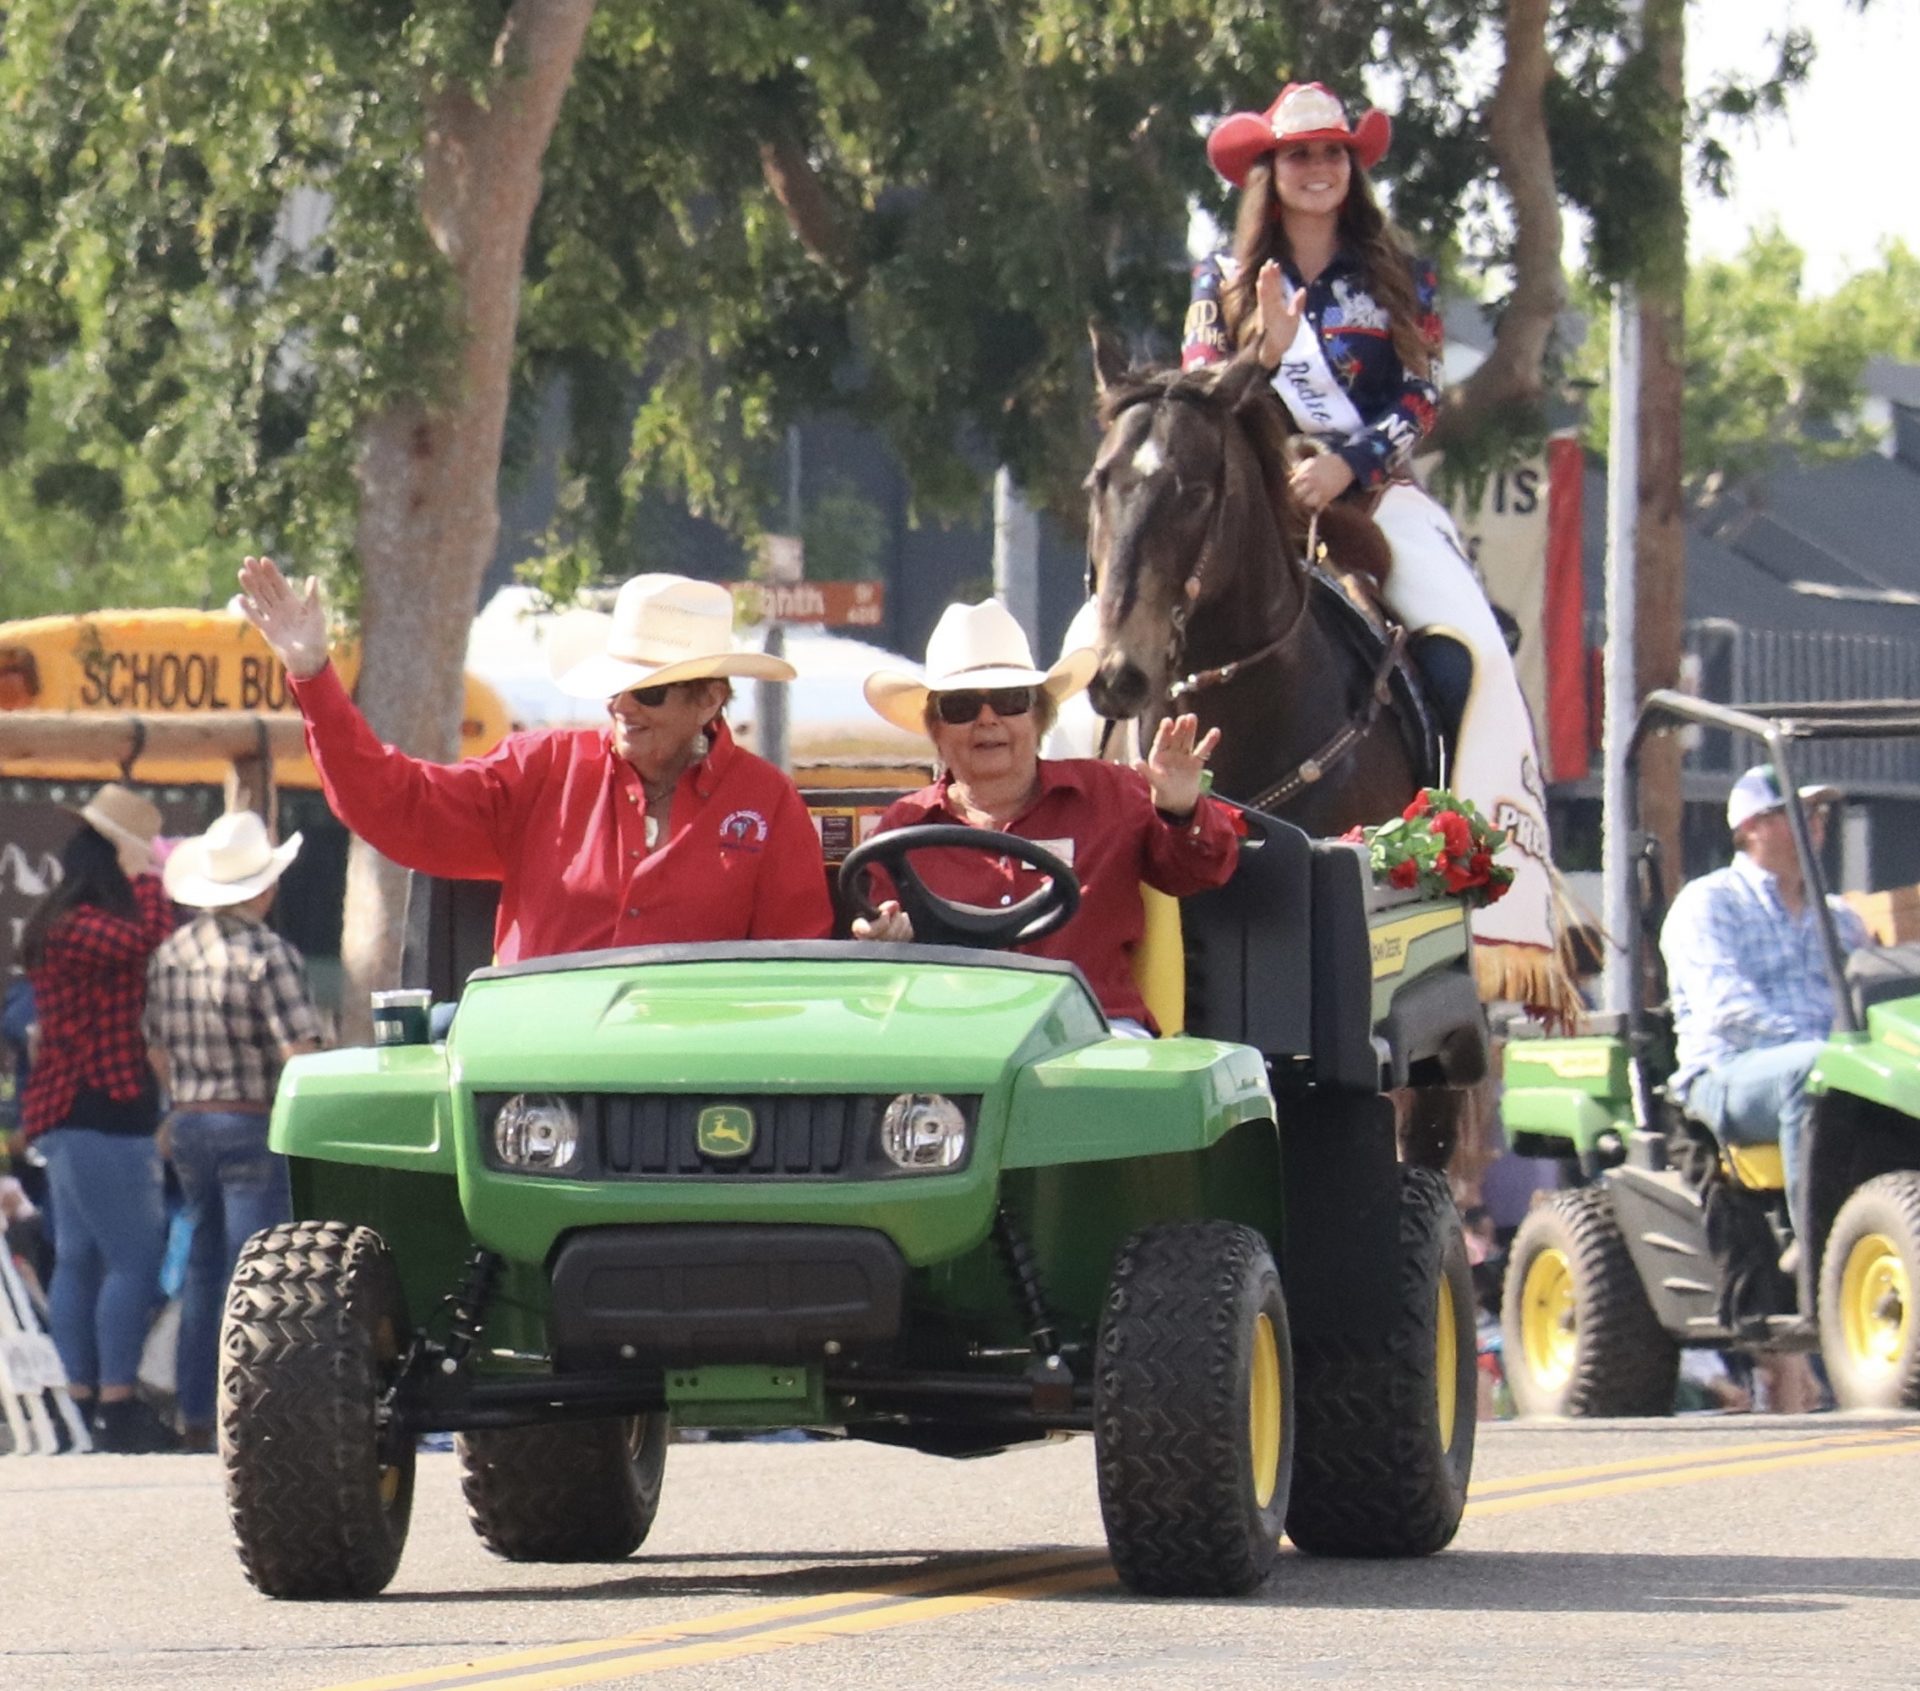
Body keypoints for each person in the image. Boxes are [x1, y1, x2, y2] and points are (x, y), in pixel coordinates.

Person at [1182, 81, 1562, 1013]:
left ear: (1352, 169)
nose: (1318, 168)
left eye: (1333, 153)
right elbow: (1202, 395)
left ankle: (1474, 861)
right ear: (1269, 172)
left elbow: (1421, 395)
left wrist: (1347, 464)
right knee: (1112, 633)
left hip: (1375, 495)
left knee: (1472, 650)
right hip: (1253, 496)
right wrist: (1266, 355)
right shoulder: (1218, 282)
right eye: (1299, 154)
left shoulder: (1399, 275)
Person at [234, 557, 833, 962]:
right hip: (541, 1075)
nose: (622, 706)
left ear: (709, 700)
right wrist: (313, 675)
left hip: (696, 1084)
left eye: (648, 692)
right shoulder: (541, 768)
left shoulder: (767, 801)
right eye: (614, 687)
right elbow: (397, 803)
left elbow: (796, 965)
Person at [852, 599, 1238, 1034]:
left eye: (1009, 701)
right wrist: (887, 937)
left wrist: (1182, 810)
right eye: (961, 707)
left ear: (1038, 716)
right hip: (949, 1033)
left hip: (1093, 1029)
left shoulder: (1112, 794)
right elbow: (878, 944)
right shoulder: (904, 825)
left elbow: (1201, 871)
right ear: (936, 729)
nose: (987, 720)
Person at [146, 810, 327, 1452]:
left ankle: (196, 1412)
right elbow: (299, 1052)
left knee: (202, 1270)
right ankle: (251, 1413)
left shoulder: (170, 954)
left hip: (191, 1119)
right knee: (258, 1274)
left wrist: (182, 1099)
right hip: (252, 1118)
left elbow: (157, 1048)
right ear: (264, 888)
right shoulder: (268, 954)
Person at [18, 784, 179, 1452]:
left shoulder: (57, 920)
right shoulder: (85, 925)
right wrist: (149, 876)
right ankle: (115, 1400)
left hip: (68, 1112)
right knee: (134, 1259)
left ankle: (80, 1398)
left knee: (80, 1260)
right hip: (102, 1107)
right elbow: (151, 938)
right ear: (117, 854)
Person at [1661, 765, 1868, 1251]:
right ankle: (1820, 1250)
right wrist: (1833, 1055)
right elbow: (1727, 1009)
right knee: (1811, 1073)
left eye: (1819, 814)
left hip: (1832, 1067)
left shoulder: (1841, 918)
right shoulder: (1709, 903)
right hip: (1726, 1073)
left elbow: (1867, 998)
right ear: (1752, 827)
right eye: (1798, 813)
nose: (1816, 824)